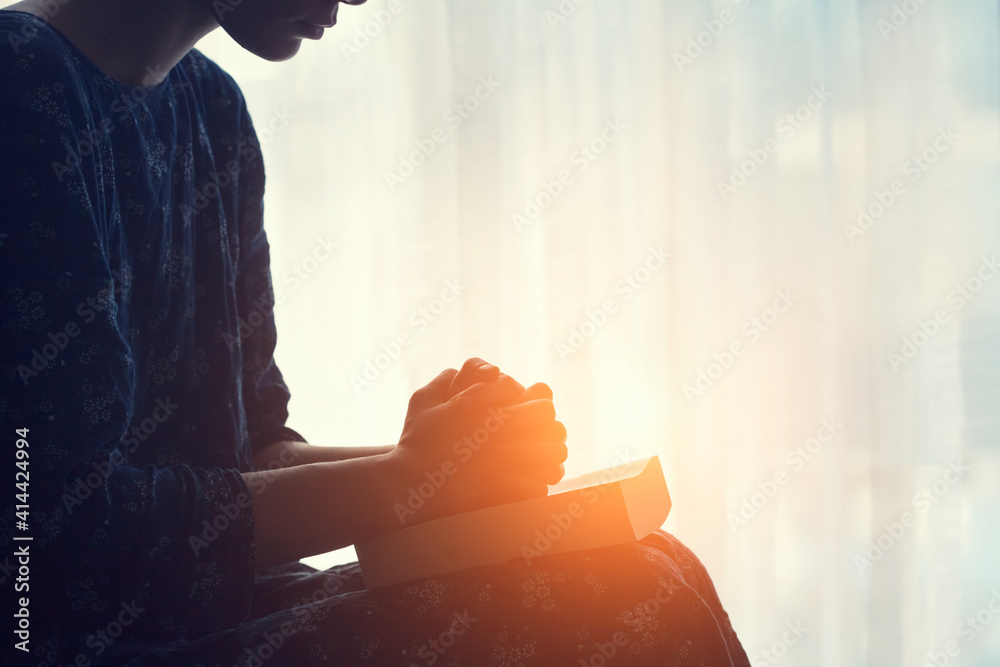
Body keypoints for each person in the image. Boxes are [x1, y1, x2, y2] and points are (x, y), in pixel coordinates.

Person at [0, 1, 751, 664]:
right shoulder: (20, 80)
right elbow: (59, 532)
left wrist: (448, 465)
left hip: (217, 607)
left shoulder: (215, 112)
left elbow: (256, 450)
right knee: (630, 596)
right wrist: (406, 479)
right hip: (75, 640)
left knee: (650, 559)